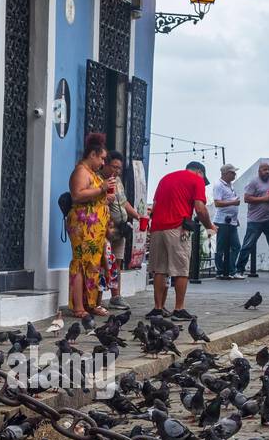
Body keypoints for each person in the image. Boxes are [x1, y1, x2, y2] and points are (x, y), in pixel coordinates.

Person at [147, 160, 215, 320]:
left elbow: (155, 206)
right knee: (181, 269)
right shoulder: (196, 179)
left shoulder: (165, 178)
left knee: (160, 269)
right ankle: (178, 309)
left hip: (157, 227)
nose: (203, 184)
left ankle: (157, 309)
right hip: (178, 228)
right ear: (200, 172)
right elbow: (200, 208)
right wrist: (210, 226)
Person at [65, 132, 115, 319]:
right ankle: (78, 306)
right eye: (101, 158)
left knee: (93, 264)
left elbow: (93, 194)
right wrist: (101, 189)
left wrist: (105, 196)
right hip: (83, 226)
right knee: (80, 263)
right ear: (92, 154)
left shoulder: (92, 173)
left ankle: (91, 303)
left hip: (95, 229)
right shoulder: (81, 171)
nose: (103, 163)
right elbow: (77, 195)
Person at [103, 151, 139, 310]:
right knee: (104, 262)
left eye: (119, 168)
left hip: (120, 228)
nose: (116, 171)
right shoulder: (99, 180)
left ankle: (115, 296)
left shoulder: (117, 181)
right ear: (106, 164)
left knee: (117, 262)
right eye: (114, 167)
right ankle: (95, 299)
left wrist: (138, 215)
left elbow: (124, 203)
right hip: (106, 229)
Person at [239, 161, 269, 277]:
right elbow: (246, 198)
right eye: (265, 170)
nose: (267, 172)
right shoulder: (253, 182)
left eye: (268, 170)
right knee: (247, 245)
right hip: (255, 221)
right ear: (259, 171)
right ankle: (239, 269)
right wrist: (264, 199)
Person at [211, 164, 242, 279]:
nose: (234, 175)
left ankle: (230, 270)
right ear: (225, 173)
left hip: (231, 221)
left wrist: (235, 217)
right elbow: (217, 203)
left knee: (236, 246)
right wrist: (233, 203)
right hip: (222, 221)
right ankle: (221, 271)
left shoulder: (230, 185)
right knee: (221, 247)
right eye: (232, 173)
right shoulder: (219, 185)